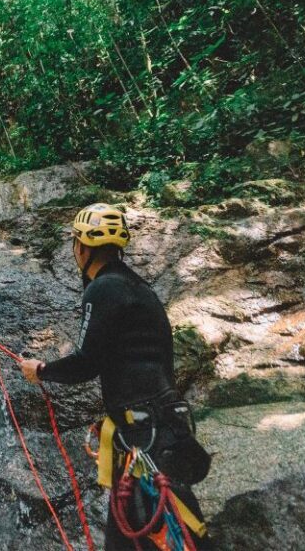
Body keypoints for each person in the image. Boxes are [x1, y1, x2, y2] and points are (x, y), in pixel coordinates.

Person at [19, 203, 211, 551]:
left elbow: (86, 361)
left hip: (144, 436)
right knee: (161, 532)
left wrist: (42, 370)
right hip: (161, 427)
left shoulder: (102, 288)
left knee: (160, 535)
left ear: (82, 246)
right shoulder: (141, 290)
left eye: (76, 243)